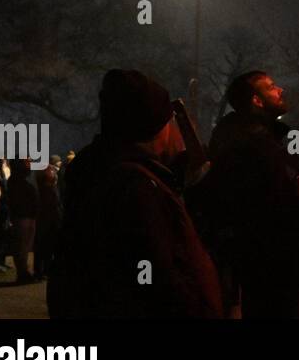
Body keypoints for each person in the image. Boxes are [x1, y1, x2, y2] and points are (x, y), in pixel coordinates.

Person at [48, 69, 222, 319]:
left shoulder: (99, 170)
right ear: (154, 126)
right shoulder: (136, 187)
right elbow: (157, 275)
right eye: (169, 122)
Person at [196, 71, 299, 318]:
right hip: (268, 263)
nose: (280, 90)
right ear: (256, 100)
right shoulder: (251, 142)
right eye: (271, 87)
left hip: (269, 260)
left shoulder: (262, 136)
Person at [7, 160, 39, 283]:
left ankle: (24, 271)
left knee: (25, 246)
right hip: (22, 217)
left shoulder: (22, 180)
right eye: (27, 162)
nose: (30, 165)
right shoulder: (16, 181)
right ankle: (22, 273)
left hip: (28, 216)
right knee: (21, 247)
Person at [33, 162, 62, 281]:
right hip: (45, 222)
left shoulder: (52, 188)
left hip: (49, 221)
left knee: (48, 247)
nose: (54, 173)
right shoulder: (46, 190)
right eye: (52, 171)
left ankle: (45, 270)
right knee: (42, 247)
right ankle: (40, 271)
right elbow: (53, 206)